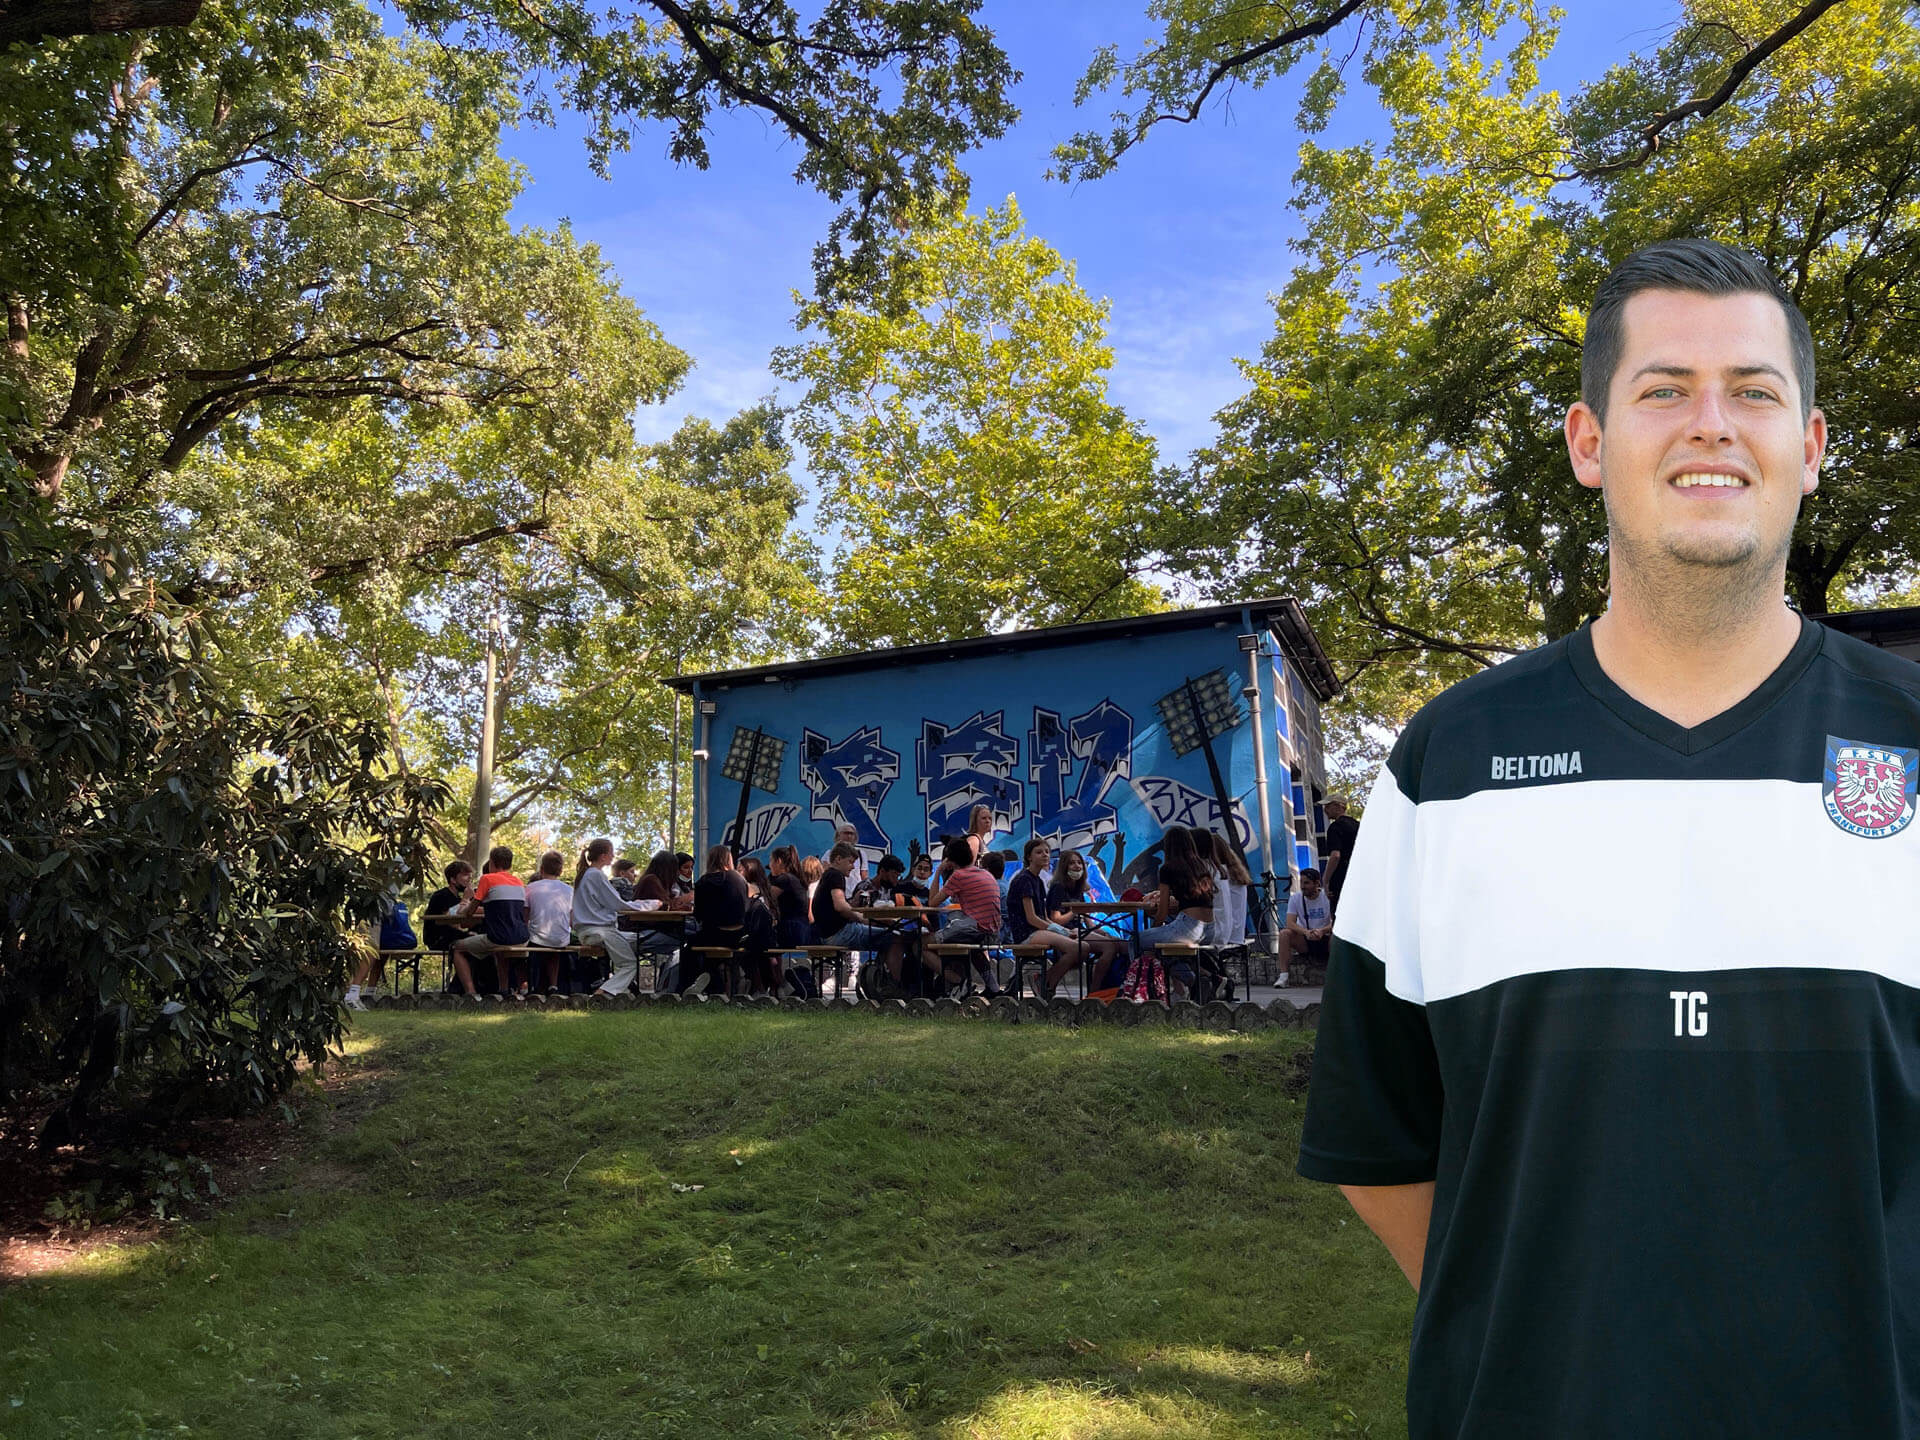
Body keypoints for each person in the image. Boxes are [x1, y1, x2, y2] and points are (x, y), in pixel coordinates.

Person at [1301, 238, 1920, 1437]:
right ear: (1590, 444)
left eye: (1754, 391)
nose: (1711, 425)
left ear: (1811, 445)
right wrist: (1546, 1327)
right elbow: (1378, 1142)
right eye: (1661, 390)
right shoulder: (1449, 764)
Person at [1008, 838, 1115, 1000]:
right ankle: (1047, 983)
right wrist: (1059, 930)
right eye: (1039, 852)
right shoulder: (1024, 880)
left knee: (1084, 947)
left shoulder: (1038, 880)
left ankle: (1047, 982)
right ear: (1029, 857)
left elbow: (1043, 916)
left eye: (1047, 852)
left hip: (1040, 928)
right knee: (1077, 947)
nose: (1045, 855)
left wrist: (1063, 931)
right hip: (1026, 932)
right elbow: (1032, 918)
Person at [574, 838, 666, 998]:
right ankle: (602, 993)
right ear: (603, 856)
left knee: (636, 940)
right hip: (600, 930)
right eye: (611, 853)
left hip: (590, 930)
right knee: (630, 964)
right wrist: (650, 905)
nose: (613, 855)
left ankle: (621, 989)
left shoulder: (586, 875)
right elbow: (618, 904)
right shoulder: (596, 875)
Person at [810, 841, 907, 989]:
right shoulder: (836, 875)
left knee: (886, 935)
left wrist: (853, 903)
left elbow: (837, 905)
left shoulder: (828, 875)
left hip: (827, 934)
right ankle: (895, 986)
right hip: (839, 934)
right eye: (850, 862)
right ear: (837, 859)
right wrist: (862, 919)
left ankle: (879, 978)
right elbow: (840, 906)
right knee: (895, 938)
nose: (853, 867)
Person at [1138, 827, 1213, 998]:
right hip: (1209, 929)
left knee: (1138, 940)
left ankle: (1141, 986)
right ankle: (1197, 982)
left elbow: (1162, 912)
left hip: (1188, 928)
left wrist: (1155, 927)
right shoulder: (1201, 865)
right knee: (1163, 946)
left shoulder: (1168, 869)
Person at [928, 835, 1004, 995]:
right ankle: (994, 988)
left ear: (950, 860)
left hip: (974, 930)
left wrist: (938, 871)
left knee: (921, 944)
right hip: (993, 933)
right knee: (974, 951)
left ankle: (957, 980)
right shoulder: (985, 874)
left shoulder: (959, 876)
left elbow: (932, 903)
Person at [690, 845, 771, 994]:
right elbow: (746, 908)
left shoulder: (702, 882)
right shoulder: (738, 879)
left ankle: (692, 983)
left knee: (689, 944)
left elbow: (698, 915)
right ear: (728, 860)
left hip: (713, 936)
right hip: (738, 936)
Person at [454, 845, 528, 996]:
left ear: (491, 863)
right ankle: (503, 989)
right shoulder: (519, 882)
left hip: (499, 937)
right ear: (510, 864)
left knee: (457, 948)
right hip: (522, 938)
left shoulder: (487, 879)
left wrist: (465, 900)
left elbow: (470, 912)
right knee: (500, 950)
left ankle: (471, 992)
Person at [523, 849, 574, 995]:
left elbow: (525, 918)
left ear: (541, 869)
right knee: (555, 946)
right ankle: (553, 985)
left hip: (536, 939)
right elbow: (571, 919)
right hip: (561, 939)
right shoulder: (569, 890)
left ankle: (530, 984)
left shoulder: (530, 888)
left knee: (531, 938)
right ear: (561, 870)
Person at [1281, 868, 1332, 987]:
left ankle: (1336, 974)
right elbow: (1290, 923)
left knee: (1337, 936)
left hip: (1325, 937)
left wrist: (1322, 931)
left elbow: (1336, 922)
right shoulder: (1295, 898)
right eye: (1301, 883)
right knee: (1284, 933)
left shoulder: (1327, 897)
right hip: (1306, 939)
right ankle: (1283, 976)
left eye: (1307, 883)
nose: (1303, 886)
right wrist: (1306, 932)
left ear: (1317, 883)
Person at [768, 845, 813, 946]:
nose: (770, 865)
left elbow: (766, 899)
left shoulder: (785, 879)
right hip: (801, 929)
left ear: (778, 861)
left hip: (792, 930)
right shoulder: (794, 878)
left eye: (771, 861)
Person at [1321, 798, 1359, 916]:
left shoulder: (1335, 827)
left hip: (1341, 876)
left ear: (1338, 806)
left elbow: (1335, 855)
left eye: (1328, 806)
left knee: (1340, 914)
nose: (1325, 810)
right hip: (1359, 875)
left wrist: (1326, 879)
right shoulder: (1358, 825)